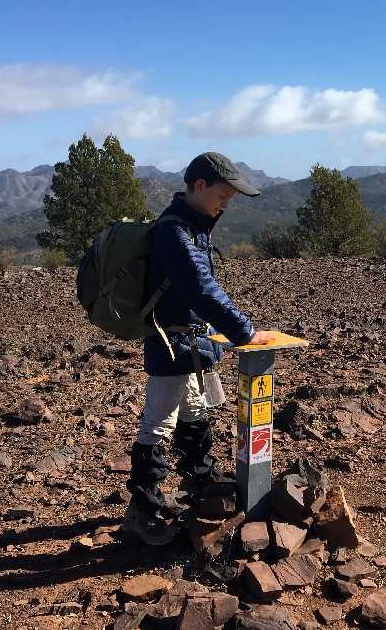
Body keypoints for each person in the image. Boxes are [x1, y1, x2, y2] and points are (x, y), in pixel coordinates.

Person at [124, 151, 272, 545]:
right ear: (200, 186)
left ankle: (200, 475)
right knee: (159, 420)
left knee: (195, 406)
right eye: (224, 195)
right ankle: (143, 509)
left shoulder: (192, 226)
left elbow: (198, 291)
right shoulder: (174, 232)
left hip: (188, 340)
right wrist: (243, 332)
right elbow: (201, 289)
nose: (228, 203)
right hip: (170, 342)